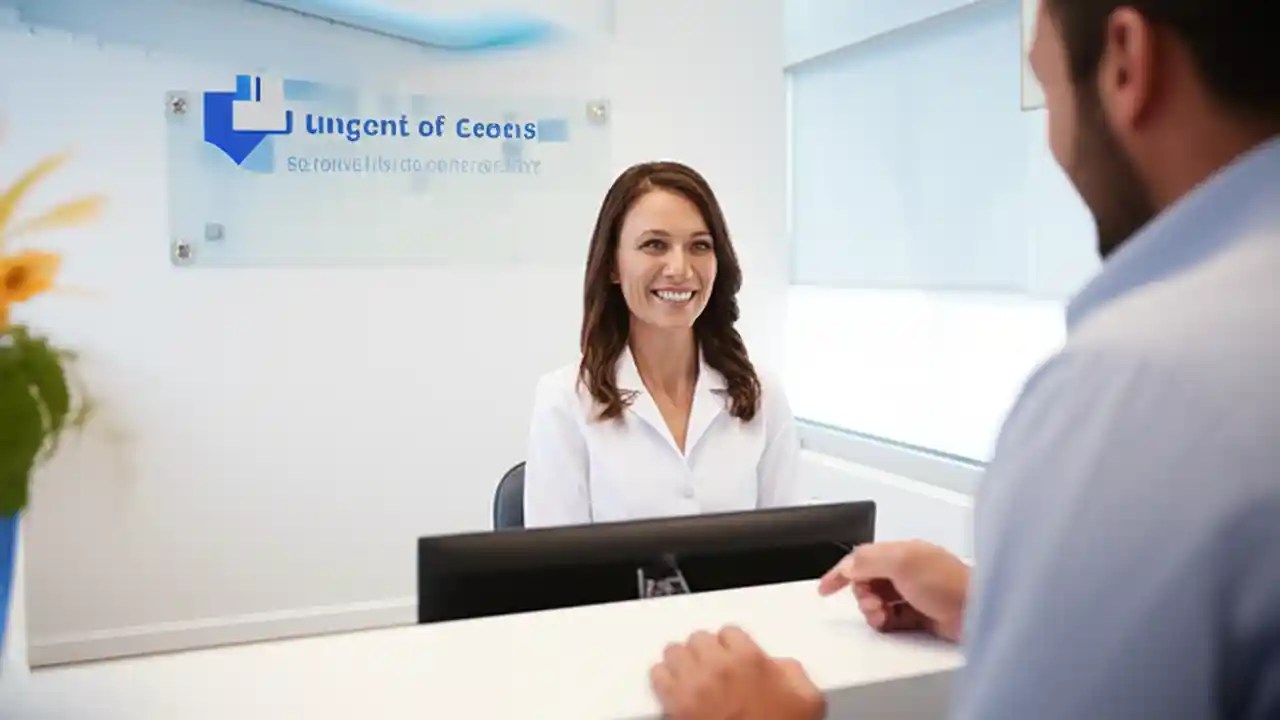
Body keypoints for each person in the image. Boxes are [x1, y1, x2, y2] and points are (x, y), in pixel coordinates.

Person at [649, 0, 1280, 717]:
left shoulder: (1136, 392)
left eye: (1046, 88)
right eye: (653, 245)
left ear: (1127, 62)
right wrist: (996, 606)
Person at [522, 161, 802, 528]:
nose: (680, 268)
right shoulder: (565, 399)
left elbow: (794, 551)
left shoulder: (761, 392)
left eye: (699, 246)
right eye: (655, 245)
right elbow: (553, 572)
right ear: (612, 266)